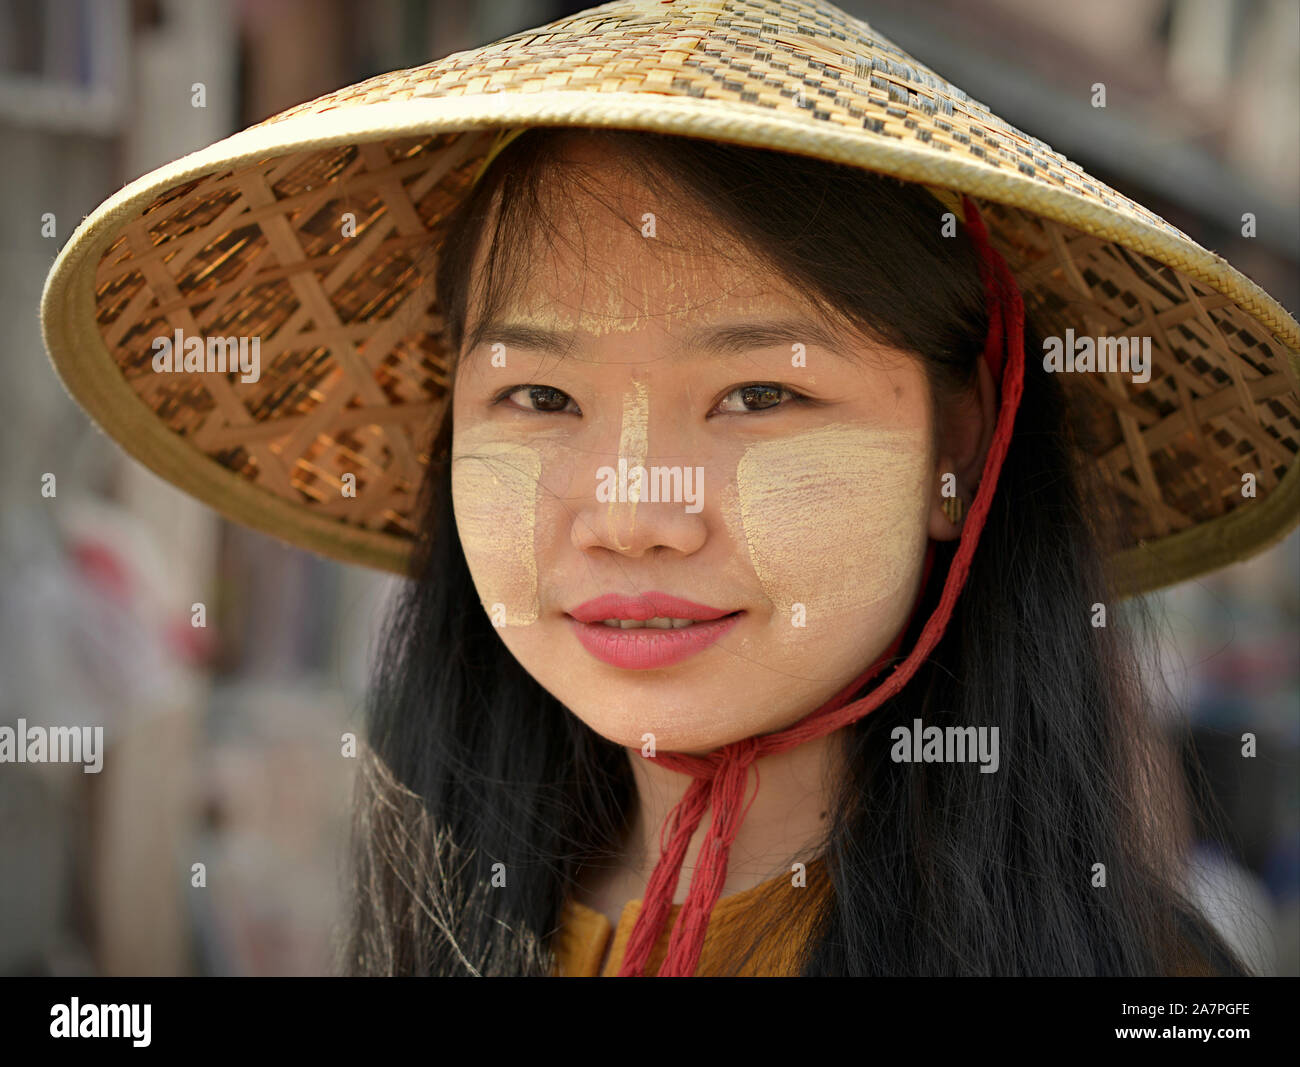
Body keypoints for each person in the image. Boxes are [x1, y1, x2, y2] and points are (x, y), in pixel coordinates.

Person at [40, 0, 1298, 977]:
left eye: (760, 396)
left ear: (956, 451)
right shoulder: (444, 921)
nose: (632, 508)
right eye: (538, 399)